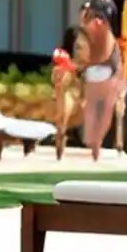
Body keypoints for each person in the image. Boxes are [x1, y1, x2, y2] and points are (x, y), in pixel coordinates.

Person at [77, 0, 126, 161]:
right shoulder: (102, 27)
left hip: (93, 70)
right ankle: (96, 143)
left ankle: (93, 142)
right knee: (106, 107)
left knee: (92, 106)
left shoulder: (87, 26)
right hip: (104, 69)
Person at [50, 25, 88, 160]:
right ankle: (61, 134)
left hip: (80, 98)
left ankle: (65, 133)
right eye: (78, 47)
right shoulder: (63, 63)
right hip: (66, 97)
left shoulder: (86, 66)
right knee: (65, 104)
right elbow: (57, 82)